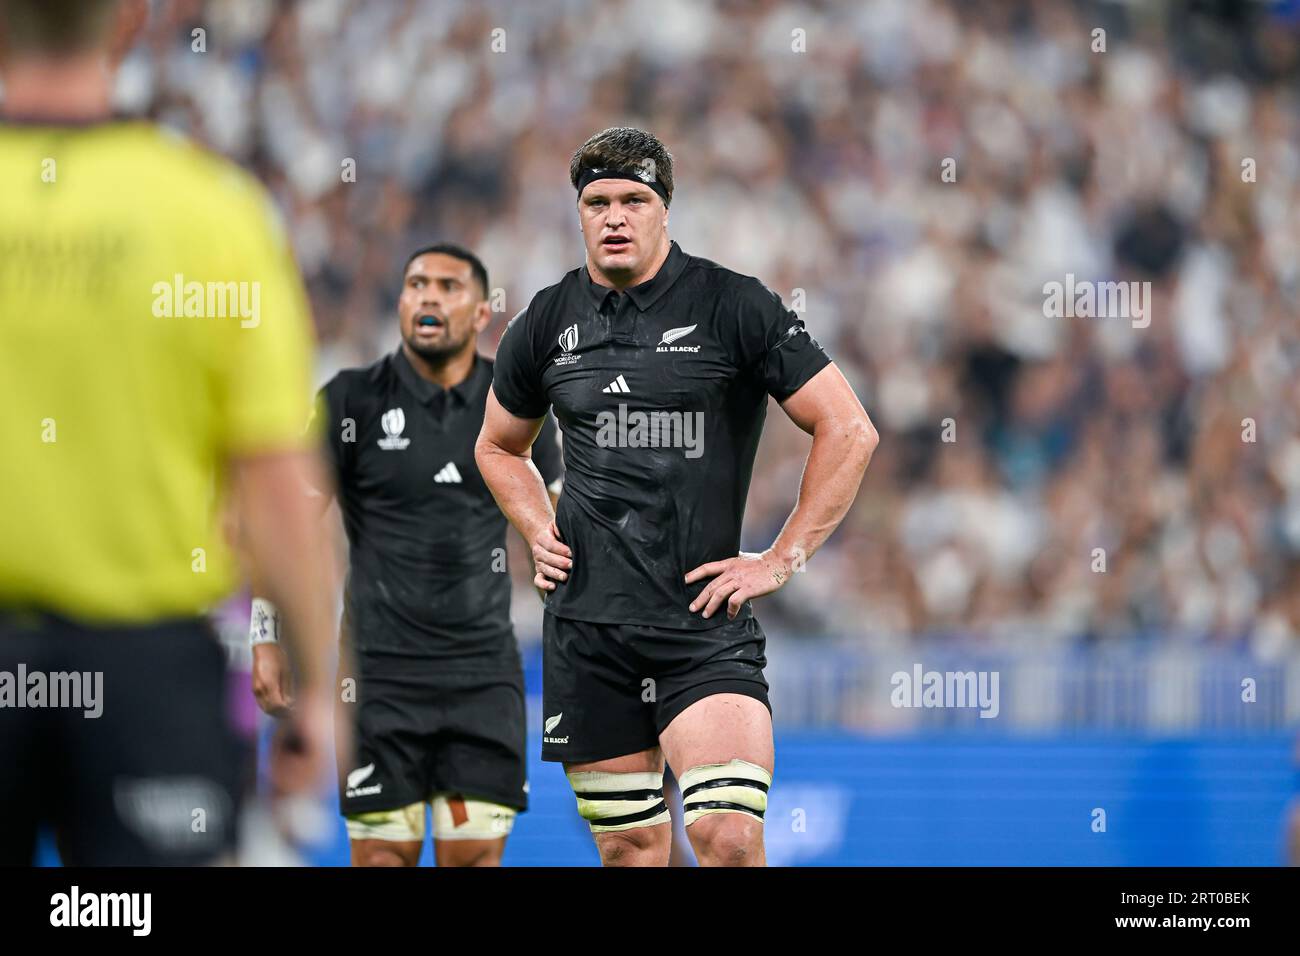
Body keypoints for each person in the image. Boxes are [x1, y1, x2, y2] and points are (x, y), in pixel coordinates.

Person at [476, 126, 878, 866]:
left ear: (665, 208)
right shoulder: (545, 320)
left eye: (634, 199)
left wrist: (781, 559)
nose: (615, 216)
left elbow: (849, 429)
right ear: (579, 213)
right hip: (588, 630)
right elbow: (498, 447)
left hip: (702, 627)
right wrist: (537, 528)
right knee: (631, 849)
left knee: (726, 836)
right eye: (597, 202)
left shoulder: (735, 306)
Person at [0, 0, 335, 865]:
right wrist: (312, 691)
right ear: (132, 22)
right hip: (143, 673)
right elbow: (271, 482)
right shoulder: (213, 213)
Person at [251, 244, 563, 867]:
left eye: (448, 286)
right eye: (416, 283)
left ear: (480, 313)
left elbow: (554, 536)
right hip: (374, 680)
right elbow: (290, 526)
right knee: (381, 859)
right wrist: (267, 633)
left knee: (474, 856)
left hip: (481, 676)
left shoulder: (516, 408)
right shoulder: (350, 401)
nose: (428, 296)